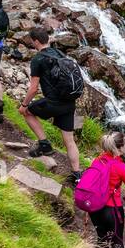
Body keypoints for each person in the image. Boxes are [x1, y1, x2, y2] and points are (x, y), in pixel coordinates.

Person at [20, 26, 81, 181]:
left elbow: (33, 89)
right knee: (69, 140)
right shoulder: (60, 54)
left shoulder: (38, 59)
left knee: (27, 112)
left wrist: (24, 104)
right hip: (69, 102)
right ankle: (77, 174)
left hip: (53, 103)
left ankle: (44, 144)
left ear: (35, 41)